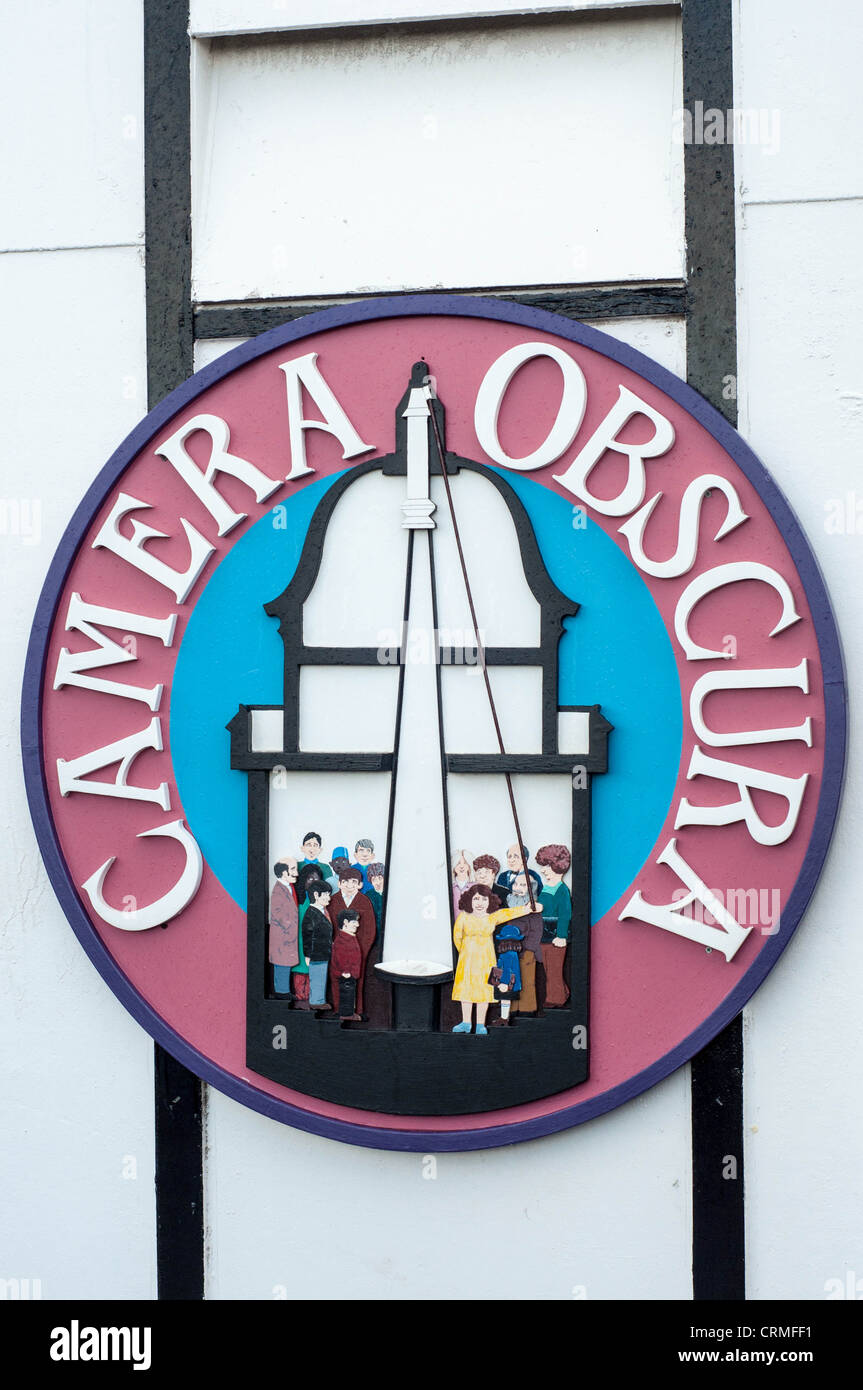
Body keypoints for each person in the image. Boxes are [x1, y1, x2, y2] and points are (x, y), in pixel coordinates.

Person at [451, 883, 530, 1035]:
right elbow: (457, 937)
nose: (480, 903)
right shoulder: (463, 917)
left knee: (484, 990)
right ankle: (466, 1022)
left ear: (490, 901)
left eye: (484, 900)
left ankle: (480, 1024)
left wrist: (528, 909)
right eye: (476, 899)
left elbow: (509, 913)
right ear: (469, 900)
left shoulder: (493, 917)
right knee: (466, 990)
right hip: (466, 960)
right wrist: (464, 952)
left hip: (486, 959)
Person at [328, 868, 377, 1018]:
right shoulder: (333, 900)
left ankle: (357, 1010)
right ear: (340, 883)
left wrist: (362, 949)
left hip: (358, 950)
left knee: (357, 980)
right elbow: (328, 923)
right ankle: (338, 1009)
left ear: (360, 885)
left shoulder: (364, 901)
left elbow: (370, 929)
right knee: (336, 978)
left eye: (354, 882)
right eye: (346, 882)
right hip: (337, 948)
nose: (350, 885)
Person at [536, 844, 572, 1008]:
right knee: (548, 968)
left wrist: (562, 936)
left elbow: (565, 914)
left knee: (555, 969)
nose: (543, 870)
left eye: (546, 866)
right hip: (543, 934)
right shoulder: (545, 888)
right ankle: (562, 993)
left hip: (556, 935)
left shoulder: (563, 890)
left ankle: (555, 999)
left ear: (557, 866)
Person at [505, 870, 544, 1016]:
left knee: (527, 982)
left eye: (523, 885)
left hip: (526, 952)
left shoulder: (533, 909)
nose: (518, 888)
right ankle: (513, 1009)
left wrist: (528, 950)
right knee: (512, 981)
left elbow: (536, 932)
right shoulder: (511, 905)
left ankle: (527, 1010)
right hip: (511, 951)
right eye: (516, 884)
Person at [269, 857, 299, 999]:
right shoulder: (278, 890)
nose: (296, 873)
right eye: (293, 869)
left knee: (285, 964)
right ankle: (281, 992)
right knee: (281, 964)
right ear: (283, 872)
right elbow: (278, 912)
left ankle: (283, 990)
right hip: (283, 937)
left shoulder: (288, 887)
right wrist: (289, 926)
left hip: (288, 936)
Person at [303, 881, 334, 1011]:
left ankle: (319, 1000)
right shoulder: (311, 914)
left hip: (323, 952)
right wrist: (308, 955)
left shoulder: (322, 911)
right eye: (326, 895)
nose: (329, 898)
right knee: (317, 978)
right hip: (316, 954)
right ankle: (316, 1001)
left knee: (321, 977)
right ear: (316, 895)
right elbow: (307, 936)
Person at [330, 908, 363, 1023]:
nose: (357, 925)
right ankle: (346, 1014)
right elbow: (341, 958)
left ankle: (348, 1012)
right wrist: (346, 972)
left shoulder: (349, 937)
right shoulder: (342, 940)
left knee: (350, 995)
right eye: (354, 922)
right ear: (345, 923)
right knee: (346, 995)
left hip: (351, 974)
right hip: (346, 976)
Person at [489, 919, 524, 1027]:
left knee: (505, 1000)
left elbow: (507, 969)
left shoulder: (507, 954)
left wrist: (504, 983)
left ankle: (504, 1019)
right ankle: (504, 1018)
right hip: (512, 983)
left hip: (508, 983)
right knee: (505, 1000)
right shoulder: (513, 953)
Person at [494, 843, 543, 907]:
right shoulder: (502, 876)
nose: (511, 860)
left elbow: (539, 898)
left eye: (516, 856)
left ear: (524, 859)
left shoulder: (533, 875)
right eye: (509, 857)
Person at [451, 849, 473, 920]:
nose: (462, 866)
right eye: (458, 863)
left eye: (465, 863)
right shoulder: (449, 888)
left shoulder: (476, 887)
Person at [366, 862, 385, 936]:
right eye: (374, 879)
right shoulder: (368, 896)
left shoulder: (391, 893)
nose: (378, 883)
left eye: (380, 878)